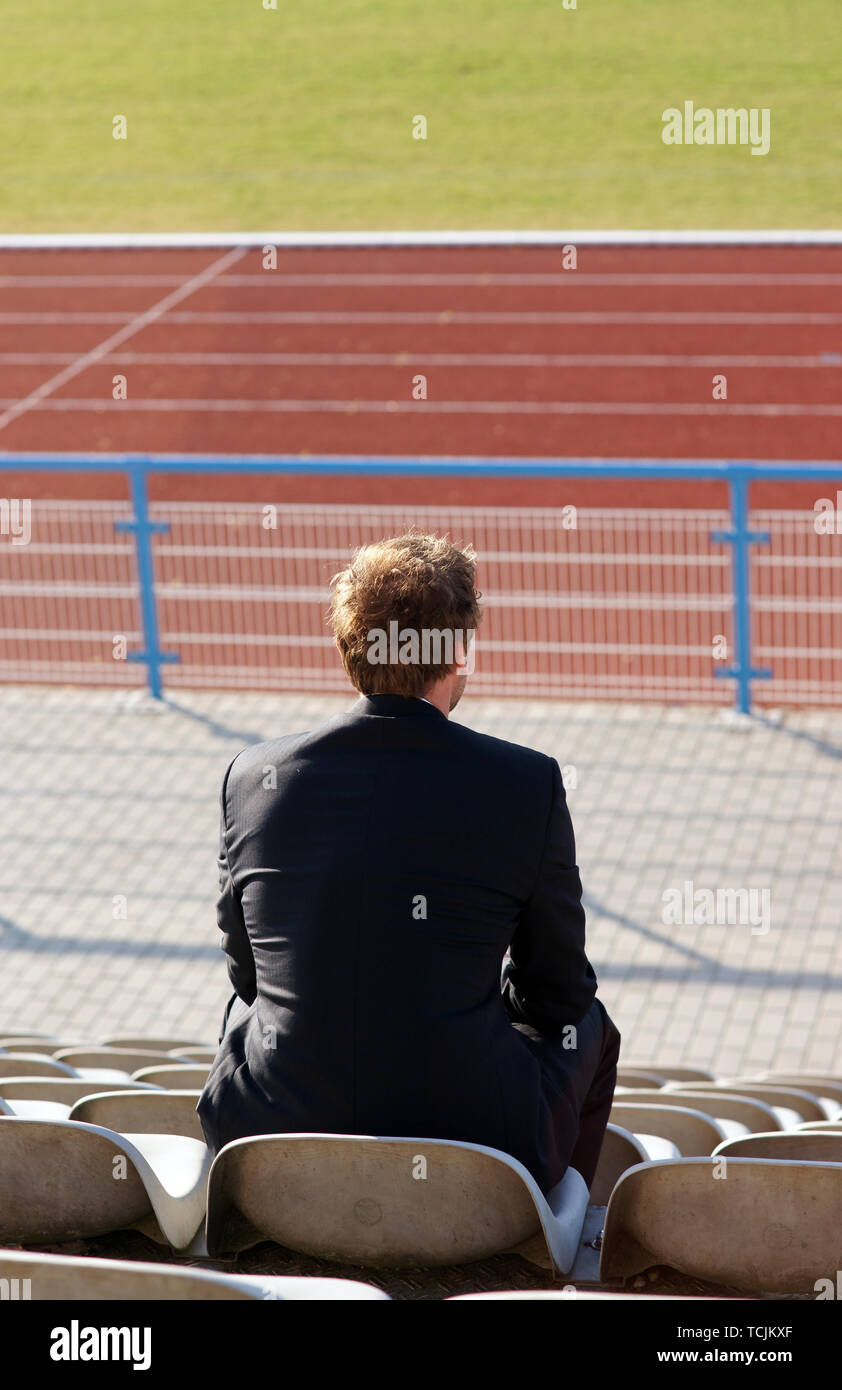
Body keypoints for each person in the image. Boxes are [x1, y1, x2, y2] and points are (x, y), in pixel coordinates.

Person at [197, 532, 620, 1195]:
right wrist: (486, 995)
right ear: (454, 657)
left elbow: (247, 973)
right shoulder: (526, 783)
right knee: (592, 1024)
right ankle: (567, 1224)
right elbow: (559, 994)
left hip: (265, 1125)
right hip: (476, 1133)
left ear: (349, 652)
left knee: (246, 1013)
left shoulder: (252, 777)